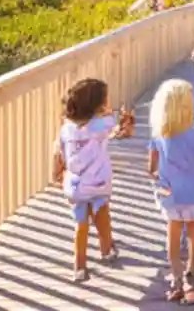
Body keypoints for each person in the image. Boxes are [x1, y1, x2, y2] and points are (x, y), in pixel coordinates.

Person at [52, 79, 135, 282]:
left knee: (81, 225)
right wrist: (127, 119)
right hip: (98, 183)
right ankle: (106, 250)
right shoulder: (102, 124)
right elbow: (122, 130)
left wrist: (56, 173)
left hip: (75, 185)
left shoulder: (67, 128)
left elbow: (57, 153)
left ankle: (79, 266)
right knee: (102, 216)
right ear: (97, 105)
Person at [148, 78, 194, 305]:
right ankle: (192, 273)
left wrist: (159, 176)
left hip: (170, 194)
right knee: (193, 230)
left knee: (172, 232)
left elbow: (150, 169)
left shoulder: (158, 136)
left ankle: (176, 278)